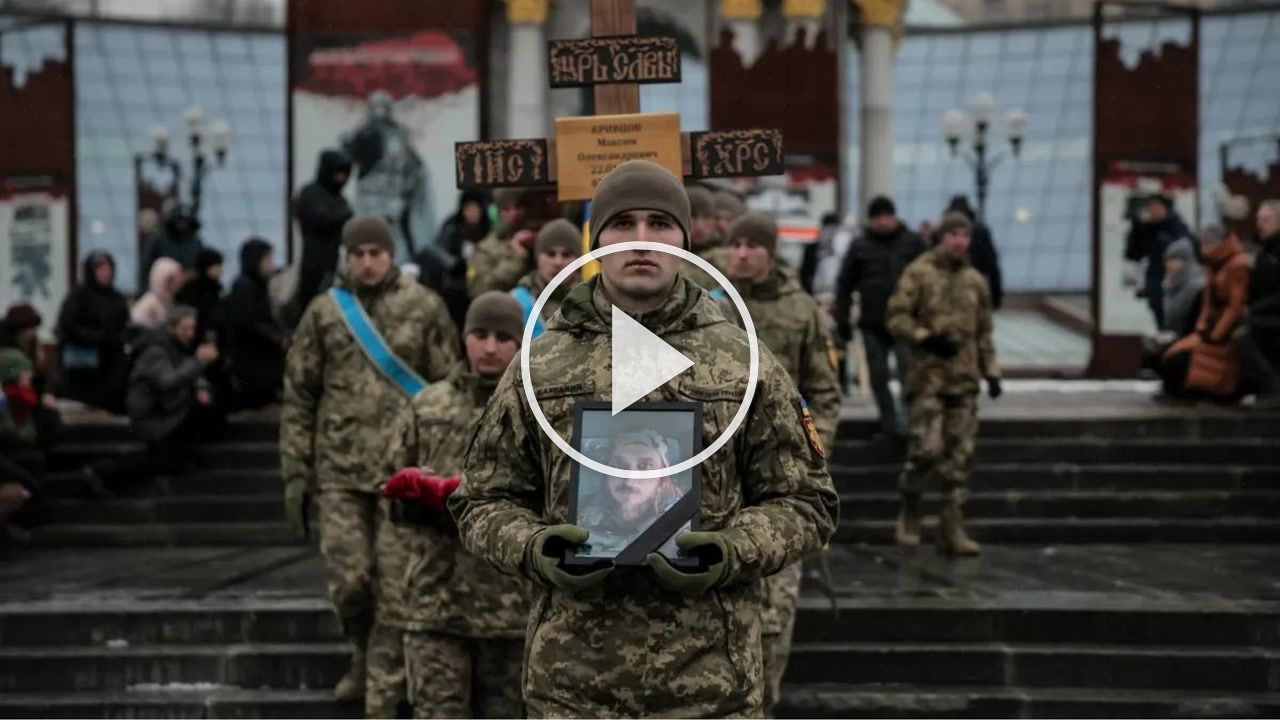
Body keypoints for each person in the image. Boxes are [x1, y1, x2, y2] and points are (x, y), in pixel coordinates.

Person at [450, 160, 839, 717]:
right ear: (596, 239)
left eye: (659, 224)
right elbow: (480, 501)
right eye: (622, 224)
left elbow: (809, 501)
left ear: (684, 238)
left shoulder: (741, 361)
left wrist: (733, 549)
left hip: (710, 683)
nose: (641, 240)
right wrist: (534, 547)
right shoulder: (540, 363)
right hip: (572, 683)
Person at [280, 215, 458, 704]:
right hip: (339, 470)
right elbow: (300, 394)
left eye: (375, 253)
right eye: (357, 254)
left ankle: (379, 677)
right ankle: (361, 651)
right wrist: (296, 470)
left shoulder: (424, 307)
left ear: (390, 252)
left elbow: (449, 388)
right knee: (350, 582)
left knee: (396, 584)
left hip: (404, 472)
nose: (366, 262)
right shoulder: (324, 314)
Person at [371, 292, 529, 719]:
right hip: (435, 603)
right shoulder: (428, 406)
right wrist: (413, 502)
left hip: (510, 608)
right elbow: (386, 481)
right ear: (463, 339)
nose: (490, 347)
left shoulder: (536, 409)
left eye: (502, 337)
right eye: (479, 335)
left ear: (521, 343)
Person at [717, 211, 841, 713]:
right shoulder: (709, 305)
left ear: (771, 251)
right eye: (736, 243)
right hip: (714, 479)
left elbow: (825, 395)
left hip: (777, 487)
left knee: (772, 623)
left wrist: (811, 455)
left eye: (753, 244)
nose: (743, 253)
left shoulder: (800, 310)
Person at [887, 211, 1000, 556]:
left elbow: (984, 331)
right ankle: (911, 505)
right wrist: (925, 337)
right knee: (927, 450)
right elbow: (896, 316)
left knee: (959, 458)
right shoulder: (920, 273)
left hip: (964, 379)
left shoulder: (974, 281)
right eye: (952, 234)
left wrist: (991, 370)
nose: (958, 241)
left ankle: (951, 527)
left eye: (964, 235)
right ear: (941, 237)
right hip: (928, 379)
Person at [83, 306, 222, 495]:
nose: (190, 334)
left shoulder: (177, 348)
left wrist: (201, 388)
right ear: (172, 328)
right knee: (163, 460)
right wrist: (199, 361)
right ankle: (102, 470)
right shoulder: (156, 351)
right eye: (185, 329)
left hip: (167, 411)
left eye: (192, 328)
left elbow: (192, 376)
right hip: (152, 418)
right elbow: (169, 381)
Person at [835, 196, 928, 441]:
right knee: (878, 376)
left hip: (906, 322)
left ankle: (909, 424)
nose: (884, 222)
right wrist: (842, 319)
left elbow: (929, 281)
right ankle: (890, 424)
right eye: (879, 217)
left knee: (909, 375)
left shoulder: (912, 243)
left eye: (887, 216)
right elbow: (845, 285)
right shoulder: (861, 246)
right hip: (872, 322)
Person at [1159, 225, 1250, 400]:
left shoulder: (1236, 265)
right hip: (1212, 325)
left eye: (1208, 244)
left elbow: (1235, 305)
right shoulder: (1212, 264)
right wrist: (1202, 326)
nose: (1204, 249)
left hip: (1225, 328)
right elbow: (1208, 302)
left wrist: (1216, 334)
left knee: (1185, 358)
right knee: (1172, 354)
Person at [54, 251, 131, 412]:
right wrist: (97, 338)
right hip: (82, 360)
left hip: (110, 360)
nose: (106, 273)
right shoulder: (78, 296)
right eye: (101, 268)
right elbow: (68, 326)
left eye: (108, 268)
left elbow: (123, 324)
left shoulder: (117, 298)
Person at [293, 148, 355, 325]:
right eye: (337, 174)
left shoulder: (339, 200)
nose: (341, 179)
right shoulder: (311, 193)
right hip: (314, 262)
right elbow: (318, 219)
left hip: (334, 262)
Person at [222, 238, 285, 408]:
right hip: (251, 361)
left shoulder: (257, 286)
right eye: (267, 260)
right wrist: (276, 339)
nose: (271, 264)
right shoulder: (244, 287)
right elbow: (246, 324)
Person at [423, 190, 492, 331]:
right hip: (455, 282)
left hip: (482, 281)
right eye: (468, 209)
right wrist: (454, 264)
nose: (472, 214)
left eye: (475, 210)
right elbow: (438, 250)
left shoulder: (488, 228)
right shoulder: (452, 226)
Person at [1124, 190, 1192, 330]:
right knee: (1161, 324)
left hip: (1176, 286)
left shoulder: (1176, 227)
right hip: (1156, 284)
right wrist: (1135, 228)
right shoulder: (1147, 229)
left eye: (1156, 207)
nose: (1152, 211)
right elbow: (1133, 254)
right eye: (1150, 208)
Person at [0, 349, 44, 544]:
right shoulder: (10, 397)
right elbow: (11, 432)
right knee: (25, 483)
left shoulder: (24, 397)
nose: (30, 376)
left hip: (13, 454)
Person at [1239, 200, 1280, 403]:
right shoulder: (1262, 249)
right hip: (1263, 312)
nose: (1260, 224)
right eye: (1259, 219)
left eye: (1266, 219)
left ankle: (1271, 386)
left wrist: (1253, 310)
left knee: (1241, 336)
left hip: (1271, 314)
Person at [512, 218, 581, 338]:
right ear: (537, 258)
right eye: (551, 254)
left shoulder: (591, 303)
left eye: (566, 255)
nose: (558, 262)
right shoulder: (517, 302)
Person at [468, 189, 534, 298]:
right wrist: (516, 258)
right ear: (497, 213)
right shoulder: (485, 249)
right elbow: (480, 289)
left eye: (518, 207)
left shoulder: (537, 238)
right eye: (506, 209)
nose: (514, 214)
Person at [681, 186, 731, 290]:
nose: (700, 226)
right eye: (692, 217)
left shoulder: (727, 257)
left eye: (707, 217)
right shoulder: (668, 254)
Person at [143, 202, 205, 280]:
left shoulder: (196, 243)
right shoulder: (159, 241)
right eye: (180, 221)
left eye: (185, 221)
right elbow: (147, 267)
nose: (183, 225)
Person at [175, 248, 225, 342]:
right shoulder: (196, 290)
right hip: (197, 339)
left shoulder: (213, 289)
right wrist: (209, 341)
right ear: (207, 267)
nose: (220, 270)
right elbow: (208, 320)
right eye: (217, 266)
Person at [1161, 238, 1206, 340]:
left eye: (1172, 260)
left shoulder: (1195, 286)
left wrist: (1168, 289)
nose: (1168, 265)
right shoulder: (1178, 284)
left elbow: (1175, 316)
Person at [131, 257, 184, 329]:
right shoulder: (148, 303)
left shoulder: (169, 301)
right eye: (173, 279)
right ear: (163, 280)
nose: (179, 282)